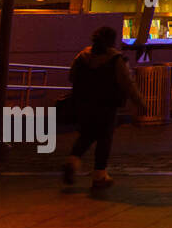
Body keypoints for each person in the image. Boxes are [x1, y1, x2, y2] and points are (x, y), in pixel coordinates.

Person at [63, 26, 148, 189]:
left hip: (84, 103)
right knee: (104, 138)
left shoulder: (82, 56)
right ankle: (100, 174)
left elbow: (71, 76)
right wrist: (140, 103)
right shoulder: (116, 59)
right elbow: (127, 84)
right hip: (107, 105)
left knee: (86, 134)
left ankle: (72, 161)